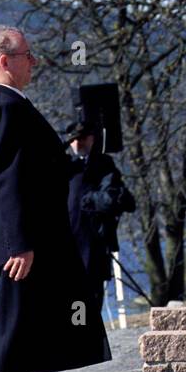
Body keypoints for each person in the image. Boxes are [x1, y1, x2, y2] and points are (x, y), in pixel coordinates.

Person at [0, 26, 111, 372]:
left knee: (17, 340)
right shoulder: (5, 108)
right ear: (4, 61)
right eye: (28, 55)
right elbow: (8, 182)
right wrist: (20, 244)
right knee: (9, 341)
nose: (35, 62)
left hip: (23, 246)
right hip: (19, 251)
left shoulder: (8, 106)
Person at [64, 118, 136, 319]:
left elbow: (113, 198)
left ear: (92, 139)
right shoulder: (63, 166)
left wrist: (88, 200)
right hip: (67, 243)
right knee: (70, 297)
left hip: (94, 242)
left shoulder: (103, 165)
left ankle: (89, 339)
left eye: (83, 138)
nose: (78, 144)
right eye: (74, 140)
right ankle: (77, 336)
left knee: (92, 296)